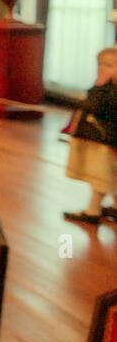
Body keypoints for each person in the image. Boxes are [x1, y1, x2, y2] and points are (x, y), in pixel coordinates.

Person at [63, 47, 117, 225]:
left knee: (100, 177)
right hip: (104, 140)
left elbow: (94, 107)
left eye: (108, 65)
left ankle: (92, 211)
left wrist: (98, 87)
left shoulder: (107, 90)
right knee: (111, 176)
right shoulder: (108, 87)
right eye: (100, 64)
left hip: (105, 141)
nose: (102, 68)